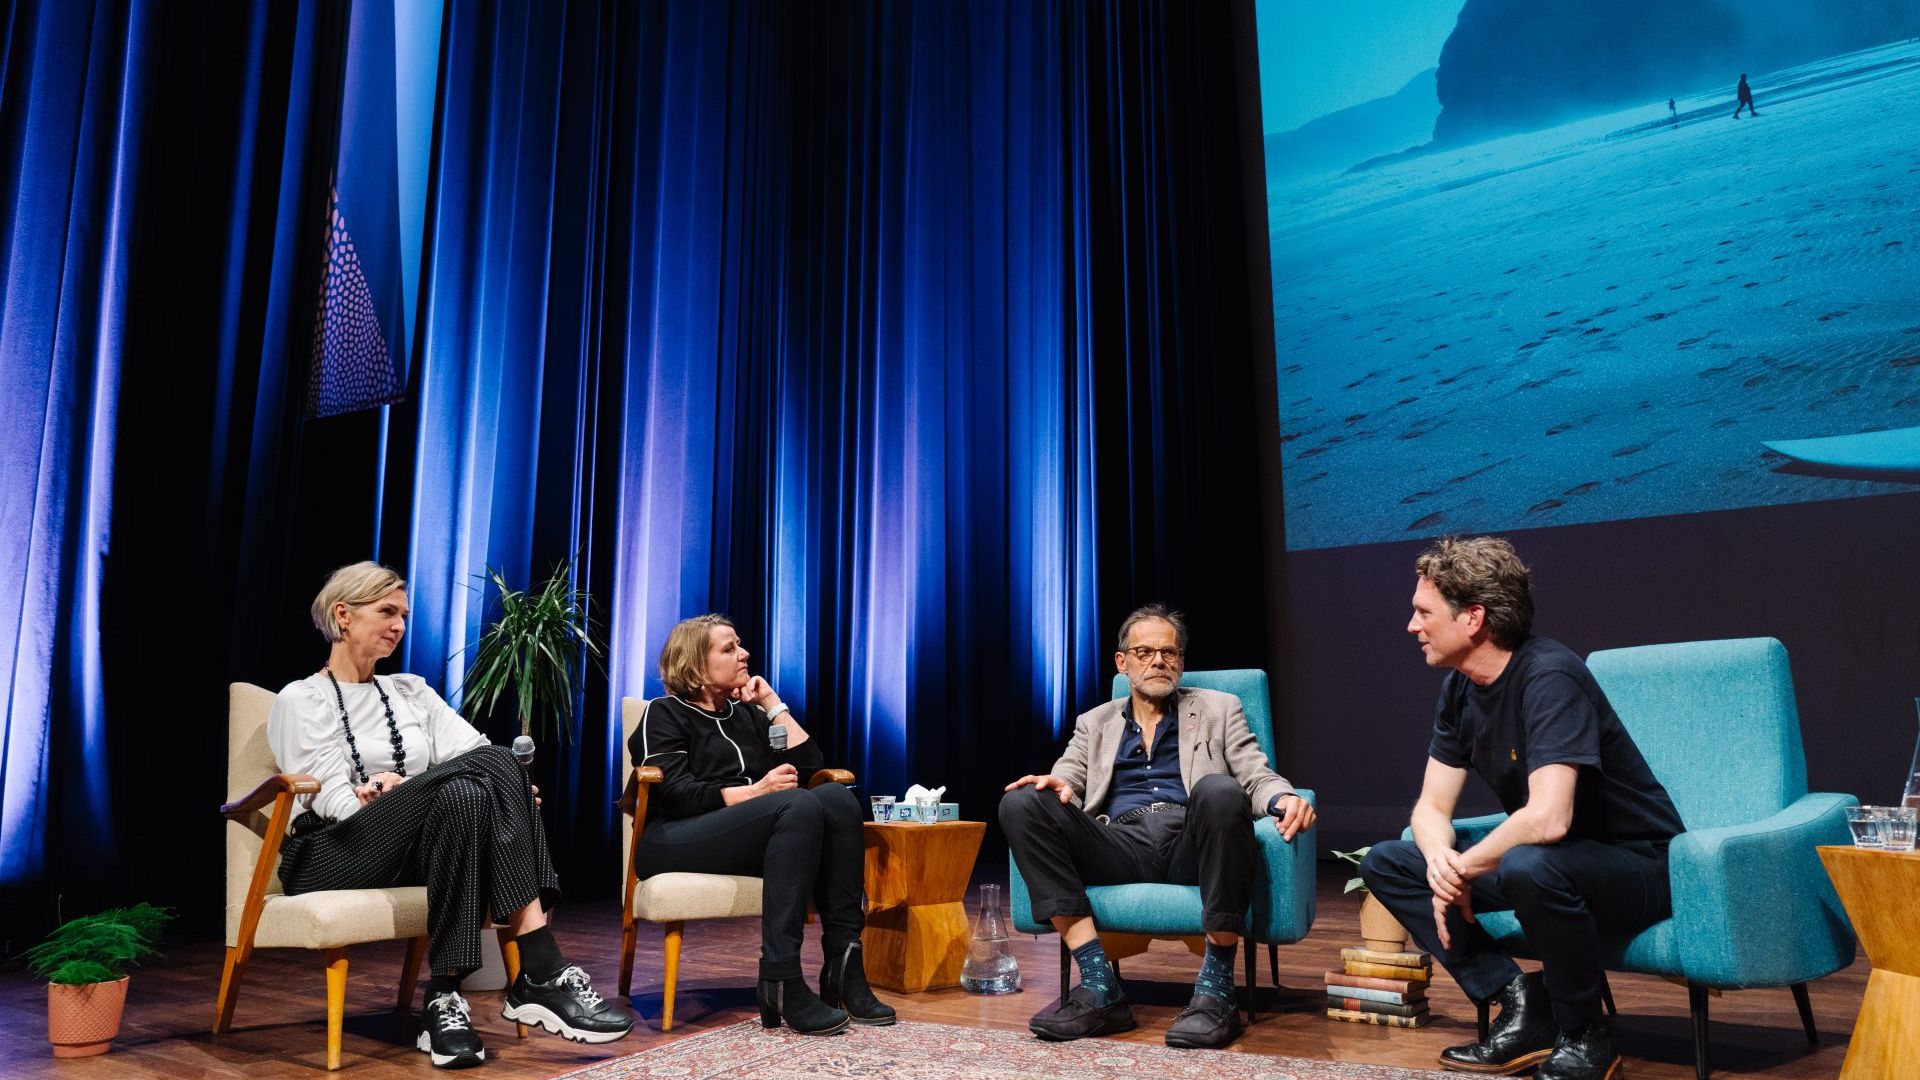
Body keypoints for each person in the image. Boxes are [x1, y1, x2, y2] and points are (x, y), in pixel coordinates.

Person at [268, 562, 632, 1070]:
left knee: (466, 795)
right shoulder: (301, 698)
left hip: (412, 848)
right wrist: (380, 797)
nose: (399, 625)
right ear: (343, 615)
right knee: (496, 768)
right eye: (387, 612)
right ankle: (541, 967)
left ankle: (443, 998)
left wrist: (476, 793)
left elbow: (474, 752)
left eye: (403, 615)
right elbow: (330, 798)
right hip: (333, 850)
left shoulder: (410, 691)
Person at [1361, 538, 1683, 1080]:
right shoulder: (1460, 689)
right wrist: (1440, 863)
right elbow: (1431, 806)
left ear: (1474, 618)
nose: (1412, 626)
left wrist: (1465, 868)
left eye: (1424, 613)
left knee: (1528, 864)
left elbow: (1550, 817)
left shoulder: (1549, 676)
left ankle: (1587, 1034)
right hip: (1553, 864)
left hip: (1639, 865)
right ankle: (1521, 1000)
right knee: (1390, 861)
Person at [999, 604, 1315, 1049]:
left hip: (1190, 844)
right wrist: (1054, 783)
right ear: (1122, 662)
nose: (1158, 661)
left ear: (1181, 661)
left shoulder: (1220, 708)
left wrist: (1283, 798)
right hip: (1118, 845)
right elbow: (1068, 776)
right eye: (1144, 652)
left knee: (1221, 790)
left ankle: (1216, 990)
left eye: (1169, 652)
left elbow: (1255, 774)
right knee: (1021, 801)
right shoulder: (1095, 722)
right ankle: (1099, 986)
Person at [628, 614, 892, 1036]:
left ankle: (844, 967)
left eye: (740, 644)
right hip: (676, 838)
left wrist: (771, 704)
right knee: (796, 804)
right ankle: (781, 977)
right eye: (729, 648)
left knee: (836, 798)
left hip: (753, 835)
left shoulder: (746, 714)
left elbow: (810, 766)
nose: (744, 653)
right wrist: (757, 792)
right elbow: (675, 793)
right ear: (696, 664)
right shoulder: (664, 713)